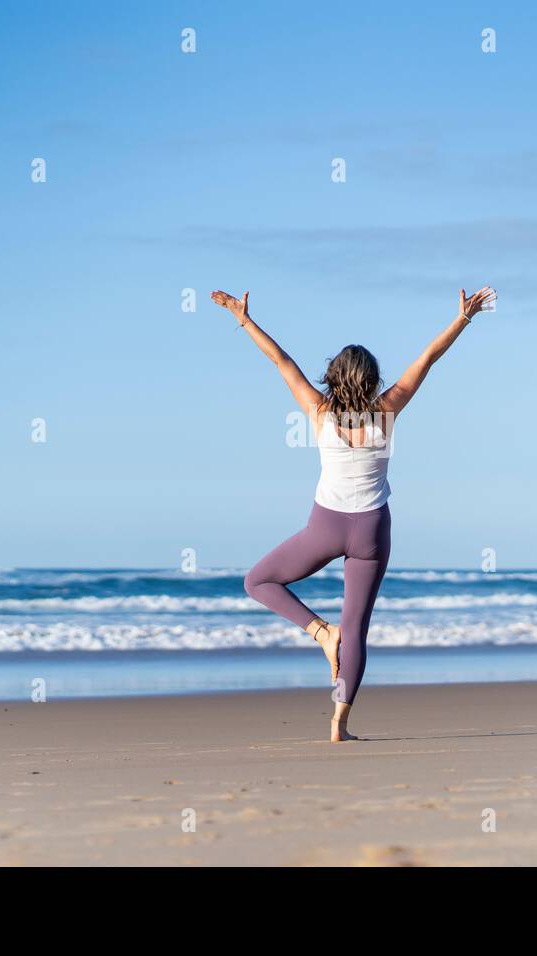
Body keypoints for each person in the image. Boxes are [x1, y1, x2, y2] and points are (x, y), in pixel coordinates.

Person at [211, 285, 496, 741]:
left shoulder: (319, 411)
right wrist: (462, 319)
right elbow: (428, 358)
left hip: (324, 526)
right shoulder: (388, 409)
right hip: (372, 532)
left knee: (257, 581)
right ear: (372, 378)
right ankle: (339, 725)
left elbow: (281, 362)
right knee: (357, 629)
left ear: (333, 375)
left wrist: (242, 318)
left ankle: (320, 633)